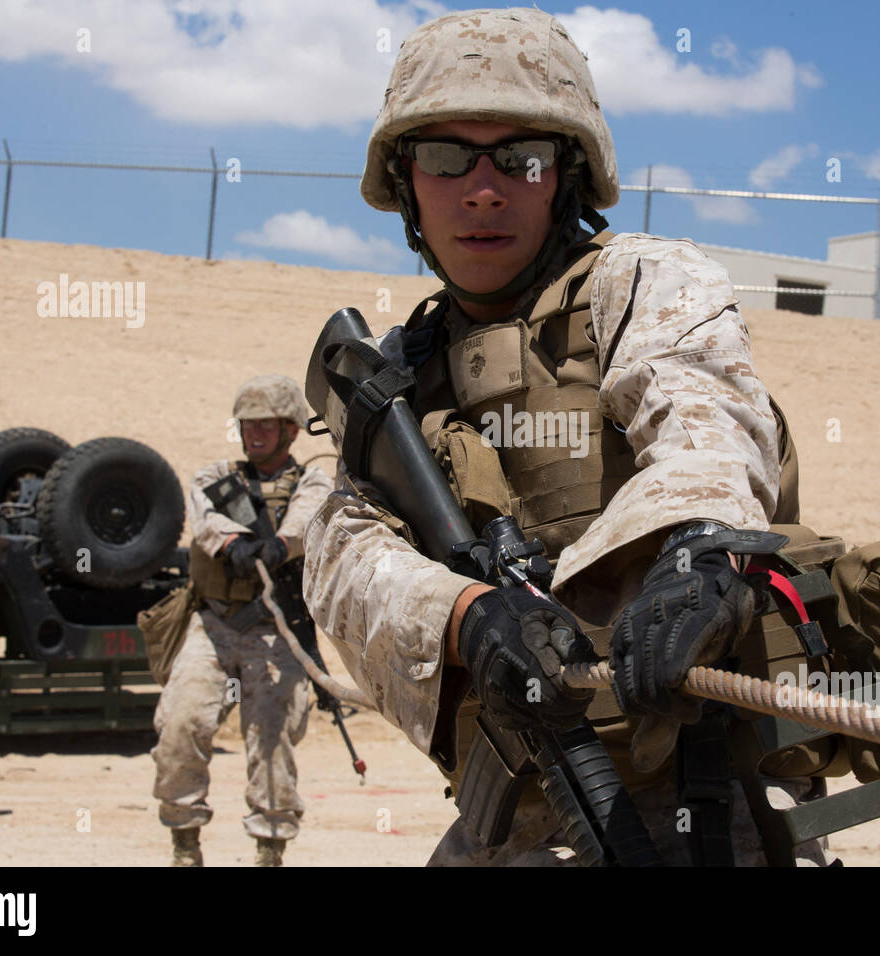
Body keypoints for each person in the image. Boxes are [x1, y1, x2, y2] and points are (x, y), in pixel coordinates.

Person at [302, 8, 825, 866]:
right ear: (405, 182)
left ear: (565, 177)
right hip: (528, 796)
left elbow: (702, 411)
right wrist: (468, 616)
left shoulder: (642, 281)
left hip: (707, 782)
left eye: (521, 158)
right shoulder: (394, 378)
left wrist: (697, 549)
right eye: (444, 157)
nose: (481, 189)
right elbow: (338, 549)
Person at [153, 374, 333, 866]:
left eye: (265, 425)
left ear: (291, 429)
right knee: (181, 724)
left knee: (273, 740)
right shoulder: (216, 475)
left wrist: (281, 544)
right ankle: (185, 845)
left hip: (273, 631)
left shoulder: (313, 478)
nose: (254, 434)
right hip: (212, 624)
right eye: (247, 425)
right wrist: (236, 543)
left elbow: (309, 517)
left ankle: (269, 851)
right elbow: (206, 517)